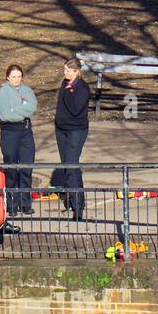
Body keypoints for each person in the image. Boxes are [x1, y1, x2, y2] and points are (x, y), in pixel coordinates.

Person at [0, 63, 37, 215]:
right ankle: (12, 204)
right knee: (11, 169)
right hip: (9, 133)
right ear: (8, 77)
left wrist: (17, 109)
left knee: (26, 168)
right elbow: (7, 114)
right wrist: (22, 110)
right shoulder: (2, 92)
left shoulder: (27, 90)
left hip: (25, 132)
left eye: (19, 76)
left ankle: (25, 203)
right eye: (13, 76)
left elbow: (32, 107)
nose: (16, 79)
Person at [52, 57, 90, 221]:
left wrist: (69, 92)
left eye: (68, 70)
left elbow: (75, 109)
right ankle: (76, 200)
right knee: (68, 166)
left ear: (76, 71)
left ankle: (77, 207)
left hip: (76, 130)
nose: (65, 73)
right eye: (64, 70)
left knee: (71, 164)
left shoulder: (81, 88)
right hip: (62, 129)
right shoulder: (65, 84)